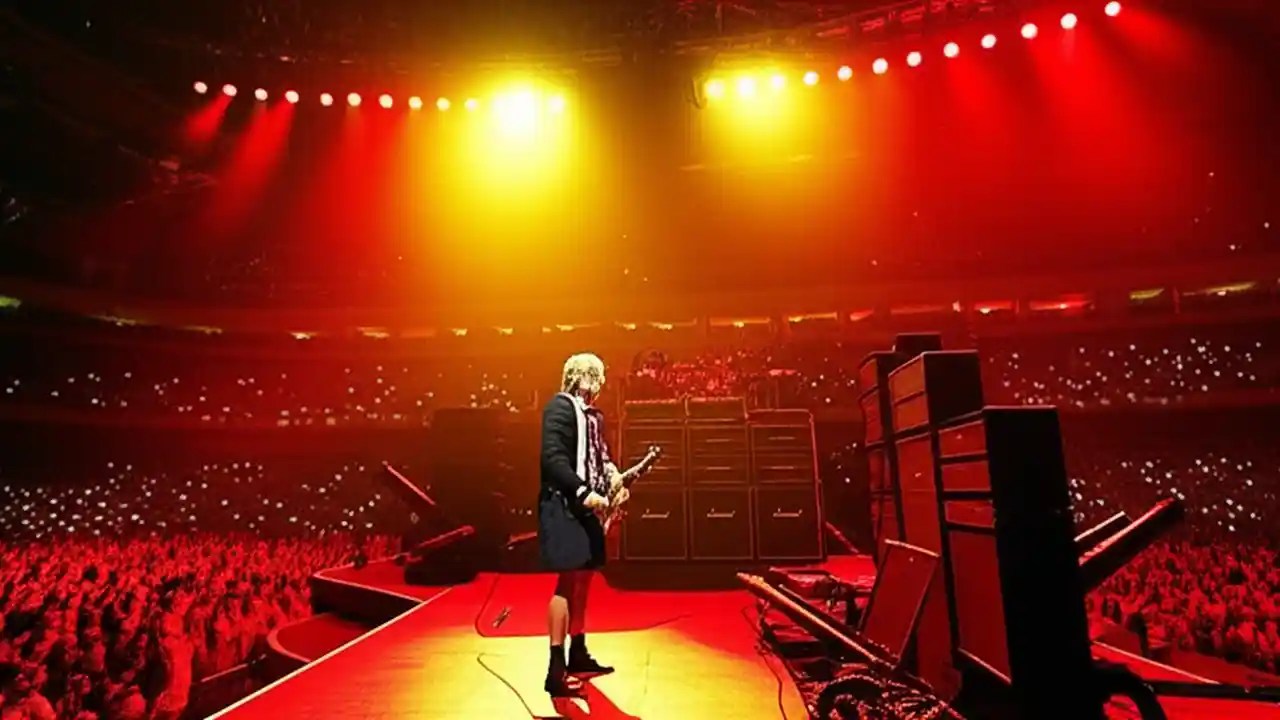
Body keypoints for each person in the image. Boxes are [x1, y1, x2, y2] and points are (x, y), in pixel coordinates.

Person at [538, 353, 624, 697]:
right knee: (565, 581)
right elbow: (552, 458)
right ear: (582, 377)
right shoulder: (560, 408)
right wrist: (582, 491)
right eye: (595, 376)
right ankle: (555, 670)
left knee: (584, 579)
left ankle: (578, 652)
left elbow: (600, 456)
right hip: (563, 504)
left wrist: (614, 477)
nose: (599, 384)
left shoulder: (594, 417)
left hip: (588, 507)